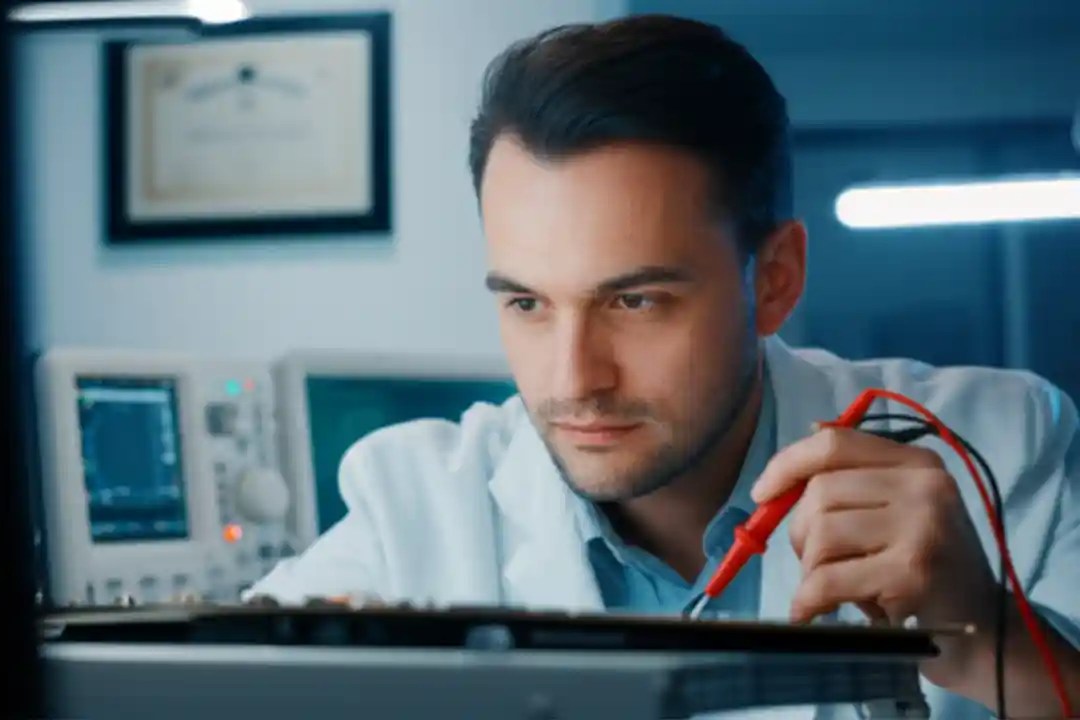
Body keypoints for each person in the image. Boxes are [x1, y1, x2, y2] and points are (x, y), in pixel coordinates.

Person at [245, 14, 1080, 718]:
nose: (574, 379)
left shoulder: (1001, 446)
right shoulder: (415, 504)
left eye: (634, 302)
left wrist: (985, 633)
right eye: (527, 304)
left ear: (776, 280)